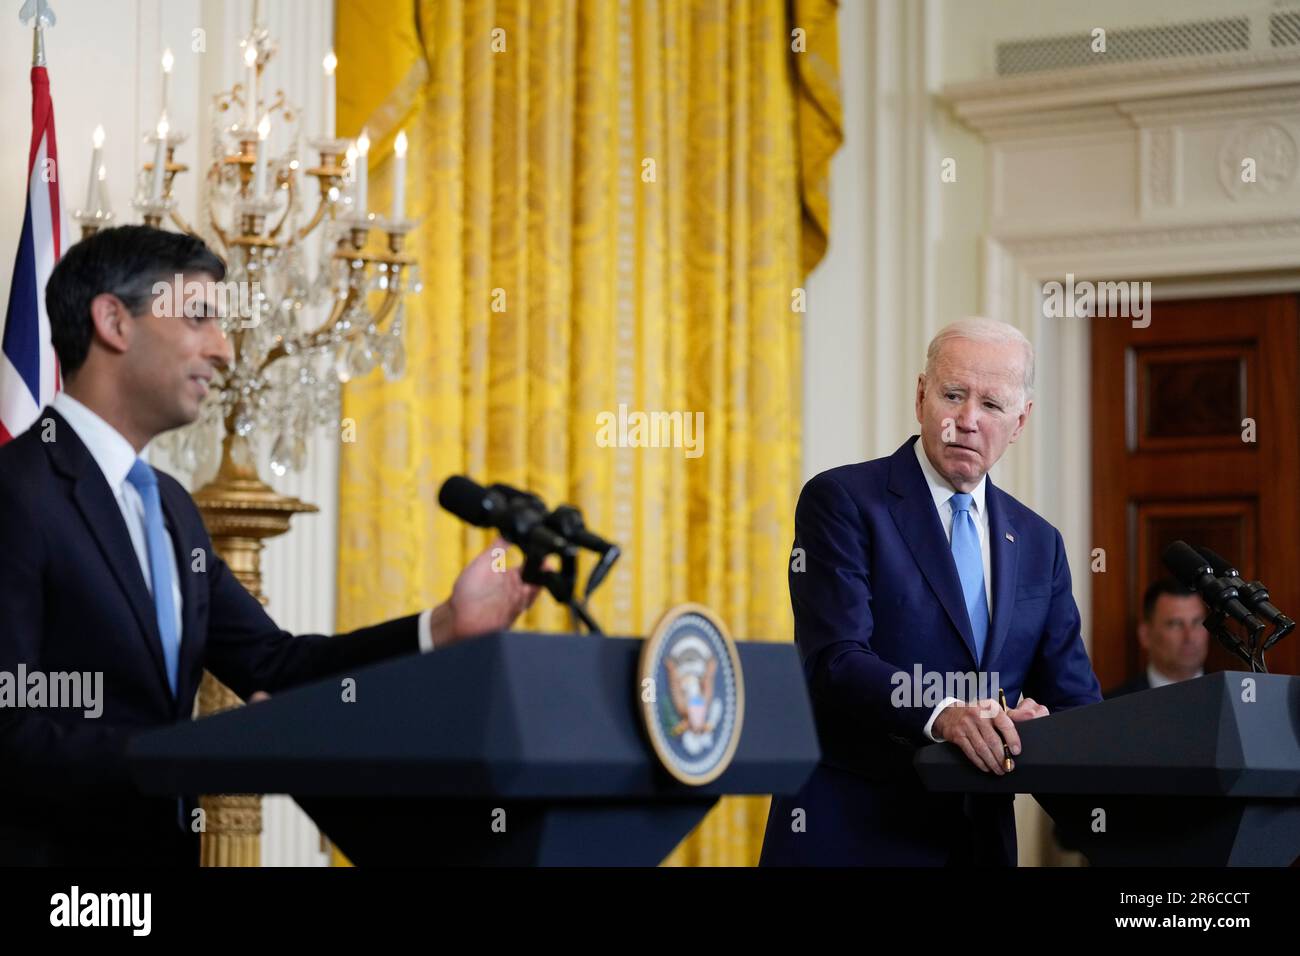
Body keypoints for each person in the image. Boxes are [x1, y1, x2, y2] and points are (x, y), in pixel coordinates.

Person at [0, 225, 538, 865]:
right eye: (199, 317)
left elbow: (279, 668)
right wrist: (194, 754)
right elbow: (11, 728)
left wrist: (446, 626)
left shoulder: (170, 507)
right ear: (114, 321)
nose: (225, 351)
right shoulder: (16, 491)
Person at [759, 317, 1102, 866]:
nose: (967, 420)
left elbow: (1075, 700)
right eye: (953, 394)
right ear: (921, 396)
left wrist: (1041, 733)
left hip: (976, 842)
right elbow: (836, 659)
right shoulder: (843, 500)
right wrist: (944, 712)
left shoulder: (1040, 542)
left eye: (991, 405)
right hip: (853, 833)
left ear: (1020, 421)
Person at [1105, 578, 1208, 698]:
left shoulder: (1232, 694)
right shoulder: (1113, 706)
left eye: (1197, 623)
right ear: (1145, 635)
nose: (1189, 637)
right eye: (1175, 624)